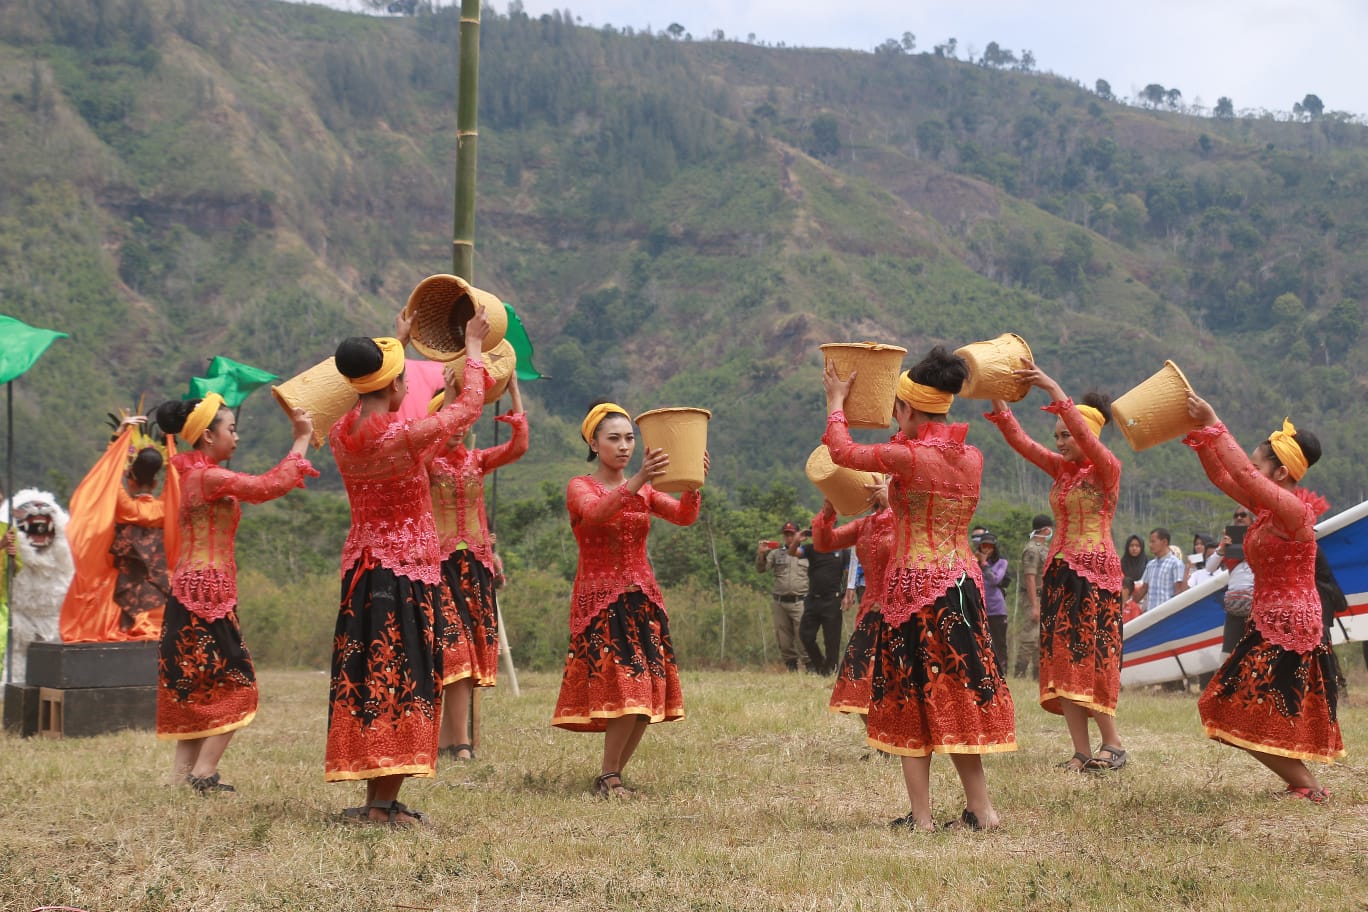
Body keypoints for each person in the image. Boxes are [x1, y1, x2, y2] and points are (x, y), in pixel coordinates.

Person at [823, 347, 1015, 831]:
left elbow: (842, 452)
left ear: (907, 408)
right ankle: (982, 810)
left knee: (909, 697)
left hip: (915, 593)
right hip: (962, 589)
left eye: (897, 409)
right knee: (959, 694)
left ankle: (923, 818)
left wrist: (836, 402)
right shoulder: (972, 457)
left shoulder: (906, 457)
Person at [326, 309, 490, 826]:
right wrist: (473, 348)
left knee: (372, 683)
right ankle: (381, 805)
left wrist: (395, 345)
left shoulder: (340, 435)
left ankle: (379, 800)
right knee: (405, 681)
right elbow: (470, 406)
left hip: (362, 575)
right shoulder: (401, 436)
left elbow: (367, 406)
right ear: (395, 383)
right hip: (406, 575)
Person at [153, 393, 317, 794]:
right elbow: (268, 485)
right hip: (208, 596)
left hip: (190, 592)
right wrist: (301, 439)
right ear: (208, 436)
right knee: (239, 686)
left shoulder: (195, 475)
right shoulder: (206, 477)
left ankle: (179, 779)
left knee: (197, 687)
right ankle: (204, 773)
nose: (237, 436)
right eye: (231, 429)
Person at [1182, 399, 1343, 801]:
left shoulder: (1293, 511)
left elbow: (1239, 472)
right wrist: (1199, 436)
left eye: (1258, 467)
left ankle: (1308, 786)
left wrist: (1214, 422)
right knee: (1231, 706)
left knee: (1234, 706)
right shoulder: (1269, 510)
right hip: (1269, 622)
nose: (1251, 473)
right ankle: (1304, 784)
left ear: (1281, 472)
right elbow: (1224, 476)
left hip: (1291, 628)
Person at [551, 401, 707, 798]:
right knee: (628, 690)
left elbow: (684, 516)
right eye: (614, 439)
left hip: (643, 600)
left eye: (629, 438)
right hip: (602, 602)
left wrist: (692, 485)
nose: (624, 446)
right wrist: (638, 479)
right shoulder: (580, 486)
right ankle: (609, 777)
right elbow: (597, 513)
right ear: (594, 443)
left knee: (646, 694)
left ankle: (611, 775)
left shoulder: (646, 490)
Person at [986, 364, 1127, 772]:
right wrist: (996, 395)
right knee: (1064, 661)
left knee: (1091, 658)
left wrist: (1051, 387)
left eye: (1067, 434)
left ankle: (1113, 744)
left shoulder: (1107, 470)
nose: (1061, 442)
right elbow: (1021, 441)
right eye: (1058, 436)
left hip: (1094, 576)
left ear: (1087, 435)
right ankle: (1081, 752)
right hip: (1061, 575)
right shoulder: (1062, 471)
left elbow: (1085, 435)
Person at [427, 374, 529, 761]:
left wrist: (514, 392)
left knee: (468, 656)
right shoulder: (425, 463)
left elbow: (519, 446)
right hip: (437, 566)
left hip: (475, 567)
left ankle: (450, 742)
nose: (456, 429)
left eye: (462, 422)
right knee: (453, 651)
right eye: (448, 421)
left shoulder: (477, 460)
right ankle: (460, 743)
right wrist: (452, 396)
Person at [61, 417, 173, 643]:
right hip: (158, 585)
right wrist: (169, 441)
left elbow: (108, 478)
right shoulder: (164, 508)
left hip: (120, 586)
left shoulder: (126, 508)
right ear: (155, 483)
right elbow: (175, 480)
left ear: (130, 481)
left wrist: (117, 440)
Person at [811, 479, 894, 717]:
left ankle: (896, 736)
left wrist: (892, 506)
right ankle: (876, 738)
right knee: (860, 679)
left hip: (903, 612)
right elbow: (824, 542)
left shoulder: (910, 522)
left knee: (897, 680)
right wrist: (828, 511)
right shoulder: (864, 525)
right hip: (871, 611)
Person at [796, 523, 851, 675]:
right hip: (813, 599)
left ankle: (831, 670)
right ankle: (821, 665)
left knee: (832, 640)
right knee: (806, 636)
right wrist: (797, 540)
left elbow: (848, 574)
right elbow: (793, 552)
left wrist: (847, 594)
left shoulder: (843, 551)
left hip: (832, 600)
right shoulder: (811, 548)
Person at [756, 521, 808, 671]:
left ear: (798, 535)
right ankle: (791, 667)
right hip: (780, 602)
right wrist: (761, 553)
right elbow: (761, 569)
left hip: (800, 601)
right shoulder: (776, 553)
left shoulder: (806, 553)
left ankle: (809, 665)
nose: (789, 537)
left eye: (792, 534)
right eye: (786, 534)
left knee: (803, 636)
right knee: (784, 639)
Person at [1214, 507, 1255, 659]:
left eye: (1243, 515)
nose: (1239, 518)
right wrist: (1222, 548)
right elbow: (1210, 567)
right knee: (1227, 653)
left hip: (1256, 605)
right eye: (1236, 515)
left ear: (1251, 519)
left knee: (1255, 651)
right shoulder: (1228, 542)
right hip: (1235, 605)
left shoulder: (1262, 538)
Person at [1015, 514, 1052, 679]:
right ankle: (1020, 672)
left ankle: (1038, 675)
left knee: (1041, 638)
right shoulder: (1032, 549)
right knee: (1030, 636)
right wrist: (1035, 606)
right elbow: (1030, 577)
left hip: (1043, 597)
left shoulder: (1043, 548)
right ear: (1045, 529)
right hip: (1033, 597)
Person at [976, 533, 1010, 677]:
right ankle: (983, 669)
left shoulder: (1002, 562)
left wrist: (984, 564)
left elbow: (995, 580)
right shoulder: (973, 562)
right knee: (980, 640)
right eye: (984, 545)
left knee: (999, 641)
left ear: (995, 547)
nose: (987, 549)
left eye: (990, 546)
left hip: (996, 608)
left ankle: (1002, 671)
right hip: (979, 606)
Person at [1133, 528, 1186, 612]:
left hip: (1167, 613)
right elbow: (1144, 588)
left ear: (1164, 542)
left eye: (1153, 542)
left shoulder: (1176, 564)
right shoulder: (1150, 565)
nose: (1150, 545)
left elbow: (1178, 591)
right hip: (1151, 613)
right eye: (1150, 542)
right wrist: (1128, 605)